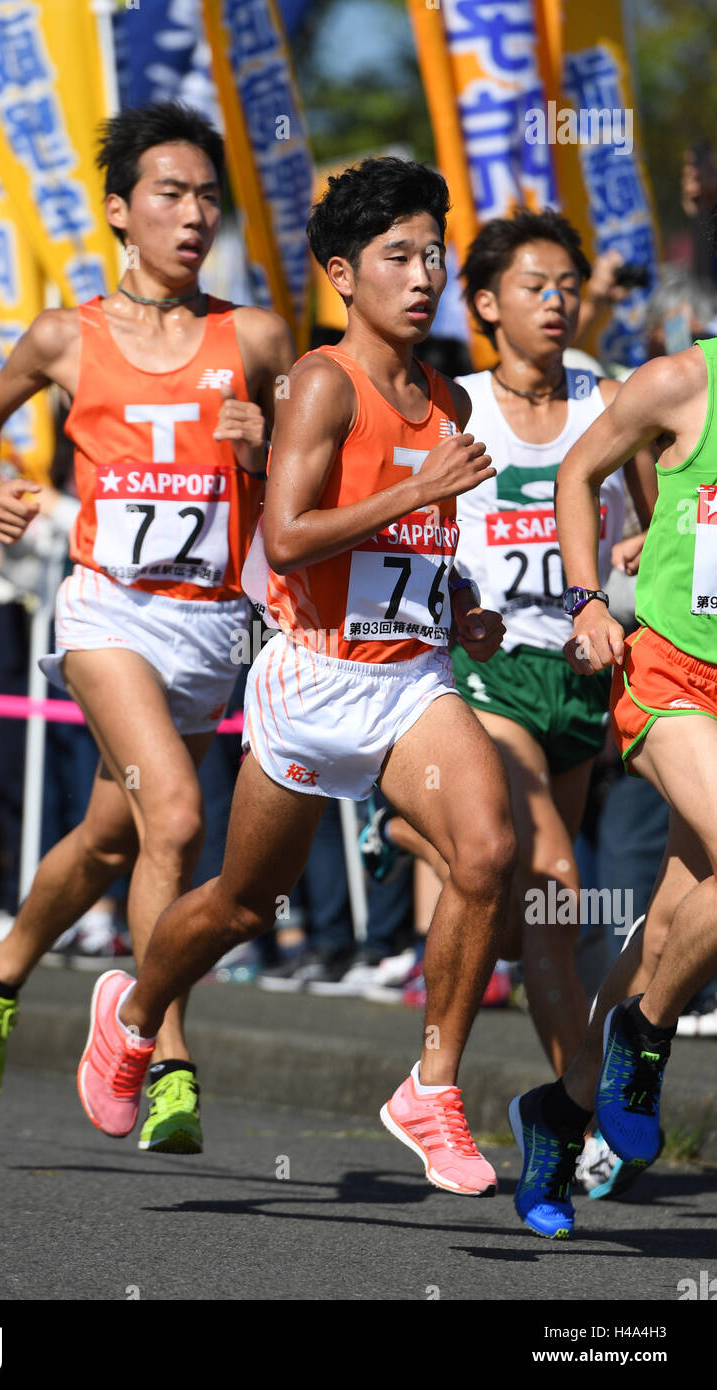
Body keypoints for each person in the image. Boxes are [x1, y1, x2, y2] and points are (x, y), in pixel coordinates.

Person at [77, 155, 517, 1197]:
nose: (423, 275)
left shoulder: (446, 393)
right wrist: (425, 485)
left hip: (410, 677)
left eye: (433, 253)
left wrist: (456, 604)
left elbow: (411, 538)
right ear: (339, 275)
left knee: (488, 851)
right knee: (240, 903)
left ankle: (431, 1085)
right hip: (312, 682)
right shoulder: (321, 381)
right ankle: (133, 1015)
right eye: (396, 256)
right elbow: (287, 536)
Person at [0, 102, 294, 1156]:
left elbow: (310, 485)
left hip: (206, 628)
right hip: (107, 610)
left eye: (205, 198)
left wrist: (263, 443)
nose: (192, 217)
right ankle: (161, 1057)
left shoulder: (260, 337)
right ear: (117, 210)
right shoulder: (67, 335)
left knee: (113, 833)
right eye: (168, 195)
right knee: (177, 819)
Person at [359, 209, 655, 1084]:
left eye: (568, 285)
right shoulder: (456, 402)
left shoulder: (607, 401)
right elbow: (403, 518)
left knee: (541, 925)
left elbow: (658, 511)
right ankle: (588, 1107)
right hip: (487, 672)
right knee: (558, 876)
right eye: (534, 287)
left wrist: (646, 545)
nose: (556, 302)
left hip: (578, 674)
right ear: (485, 303)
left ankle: (568, 1127)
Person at [509, 315, 717, 1238]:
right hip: (672, 673)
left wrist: (662, 534)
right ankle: (646, 1035)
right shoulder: (678, 383)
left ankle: (557, 1117)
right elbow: (576, 474)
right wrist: (591, 598)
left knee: (676, 918)